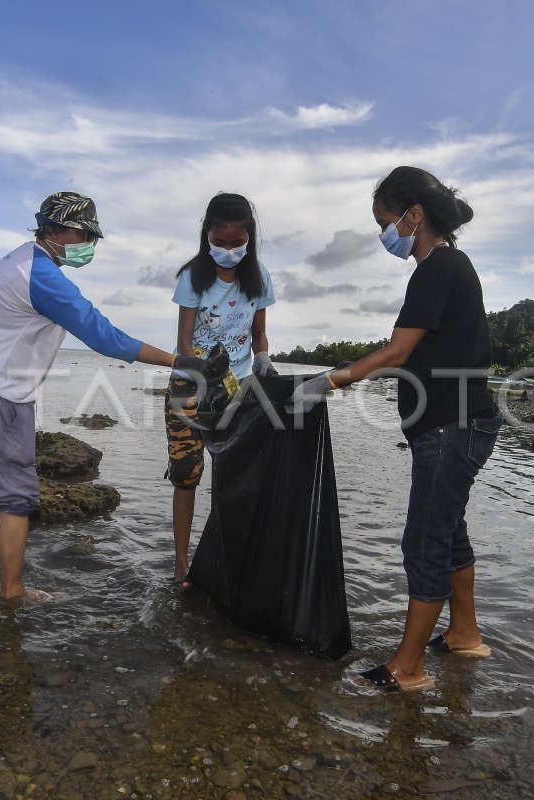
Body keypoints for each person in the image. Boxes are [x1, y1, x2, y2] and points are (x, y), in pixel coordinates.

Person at [0, 191, 205, 599]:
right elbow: (103, 335)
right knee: (17, 497)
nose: (90, 245)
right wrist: (177, 361)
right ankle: (13, 592)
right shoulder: (42, 278)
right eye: (85, 235)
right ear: (57, 229)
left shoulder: (23, 258)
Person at [290, 166, 501, 692]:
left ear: (414, 214)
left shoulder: (436, 269)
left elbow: (397, 352)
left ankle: (407, 669)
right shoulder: (451, 264)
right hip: (462, 421)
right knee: (449, 532)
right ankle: (464, 634)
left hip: (450, 427)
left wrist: (326, 382)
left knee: (424, 541)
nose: (385, 233)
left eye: (385, 221)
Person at [167, 193, 277, 584]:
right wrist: (201, 377)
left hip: (236, 387)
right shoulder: (194, 276)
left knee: (231, 474)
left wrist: (262, 359)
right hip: (191, 385)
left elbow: (260, 335)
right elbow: (183, 341)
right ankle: (181, 564)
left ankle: (225, 559)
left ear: (249, 238)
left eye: (236, 243)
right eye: (220, 243)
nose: (228, 250)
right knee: (187, 474)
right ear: (207, 235)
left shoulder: (259, 277)